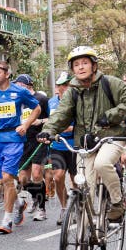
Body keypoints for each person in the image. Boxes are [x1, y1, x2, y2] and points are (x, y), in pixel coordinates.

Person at [39, 46, 126, 221]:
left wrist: (109, 116)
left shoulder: (110, 83)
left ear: (94, 65)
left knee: (102, 164)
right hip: (85, 142)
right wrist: (48, 130)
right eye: (76, 64)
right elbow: (61, 114)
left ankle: (117, 201)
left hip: (111, 137)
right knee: (85, 185)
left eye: (84, 63)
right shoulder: (72, 91)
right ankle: (86, 231)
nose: (80, 67)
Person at [0, 60, 40, 234]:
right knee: (3, 179)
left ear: (7, 74)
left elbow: (36, 108)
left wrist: (25, 125)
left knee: (7, 177)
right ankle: (19, 203)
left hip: (14, 137)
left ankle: (7, 219)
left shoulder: (19, 91)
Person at [12, 74, 50, 221]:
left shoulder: (41, 98)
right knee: (23, 179)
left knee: (36, 174)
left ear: (26, 86)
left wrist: (40, 121)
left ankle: (42, 209)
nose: (15, 88)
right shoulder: (18, 101)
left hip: (39, 141)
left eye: (17, 85)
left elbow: (53, 118)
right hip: (23, 142)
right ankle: (36, 196)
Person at [48, 71, 76, 225]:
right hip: (58, 145)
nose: (64, 88)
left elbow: (84, 124)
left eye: (67, 85)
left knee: (76, 179)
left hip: (74, 145)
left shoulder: (77, 100)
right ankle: (65, 208)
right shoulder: (51, 102)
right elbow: (48, 121)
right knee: (58, 177)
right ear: (57, 86)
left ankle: (78, 207)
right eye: (61, 85)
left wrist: (70, 129)